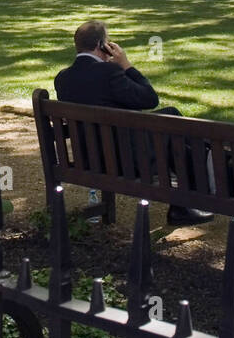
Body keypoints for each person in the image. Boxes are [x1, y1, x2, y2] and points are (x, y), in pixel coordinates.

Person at [53, 19, 213, 227]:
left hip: (89, 160)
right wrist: (126, 65)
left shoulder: (63, 78)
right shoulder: (109, 73)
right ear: (102, 45)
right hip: (123, 163)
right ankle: (189, 198)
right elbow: (149, 99)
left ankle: (191, 195)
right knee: (172, 119)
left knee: (176, 135)